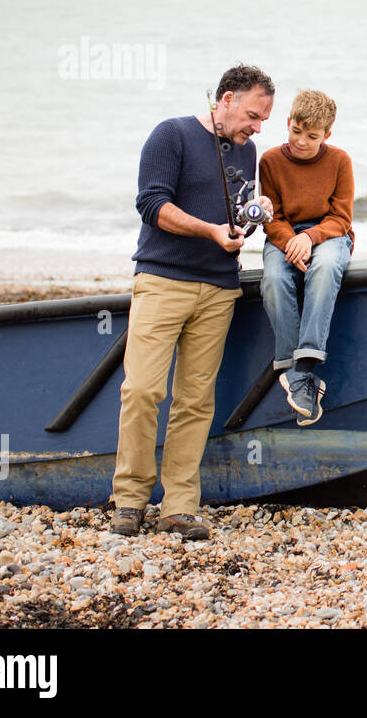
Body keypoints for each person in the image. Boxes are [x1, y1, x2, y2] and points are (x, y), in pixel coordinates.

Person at [110, 64, 274, 540]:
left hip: (220, 288)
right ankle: (130, 500)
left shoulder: (246, 150)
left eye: (263, 119)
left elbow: (231, 217)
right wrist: (208, 230)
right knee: (141, 391)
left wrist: (254, 217)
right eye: (252, 115)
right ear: (224, 100)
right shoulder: (172, 134)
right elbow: (150, 203)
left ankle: (179, 506)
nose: (257, 127)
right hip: (163, 280)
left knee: (195, 401)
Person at [257, 89, 355, 425]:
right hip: (284, 235)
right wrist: (291, 242)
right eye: (296, 132)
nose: (301, 141)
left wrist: (309, 237)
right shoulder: (270, 161)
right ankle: (297, 378)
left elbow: (341, 218)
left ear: (327, 134)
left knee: (325, 266)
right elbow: (273, 218)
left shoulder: (340, 160)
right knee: (272, 279)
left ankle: (306, 365)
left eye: (312, 136)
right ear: (288, 123)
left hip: (328, 234)